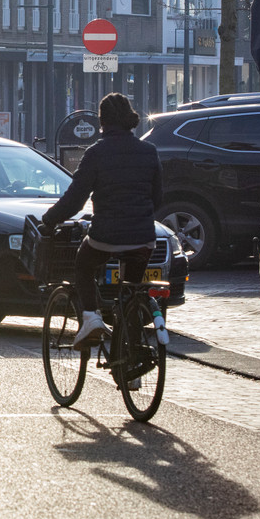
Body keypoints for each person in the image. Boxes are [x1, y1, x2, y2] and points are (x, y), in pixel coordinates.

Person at [39, 93, 163, 347]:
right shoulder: (149, 152)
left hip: (106, 236)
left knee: (83, 264)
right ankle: (133, 356)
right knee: (131, 290)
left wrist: (49, 220)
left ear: (102, 121)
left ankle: (91, 317)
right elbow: (157, 198)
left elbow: (74, 199)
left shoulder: (96, 153)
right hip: (143, 238)